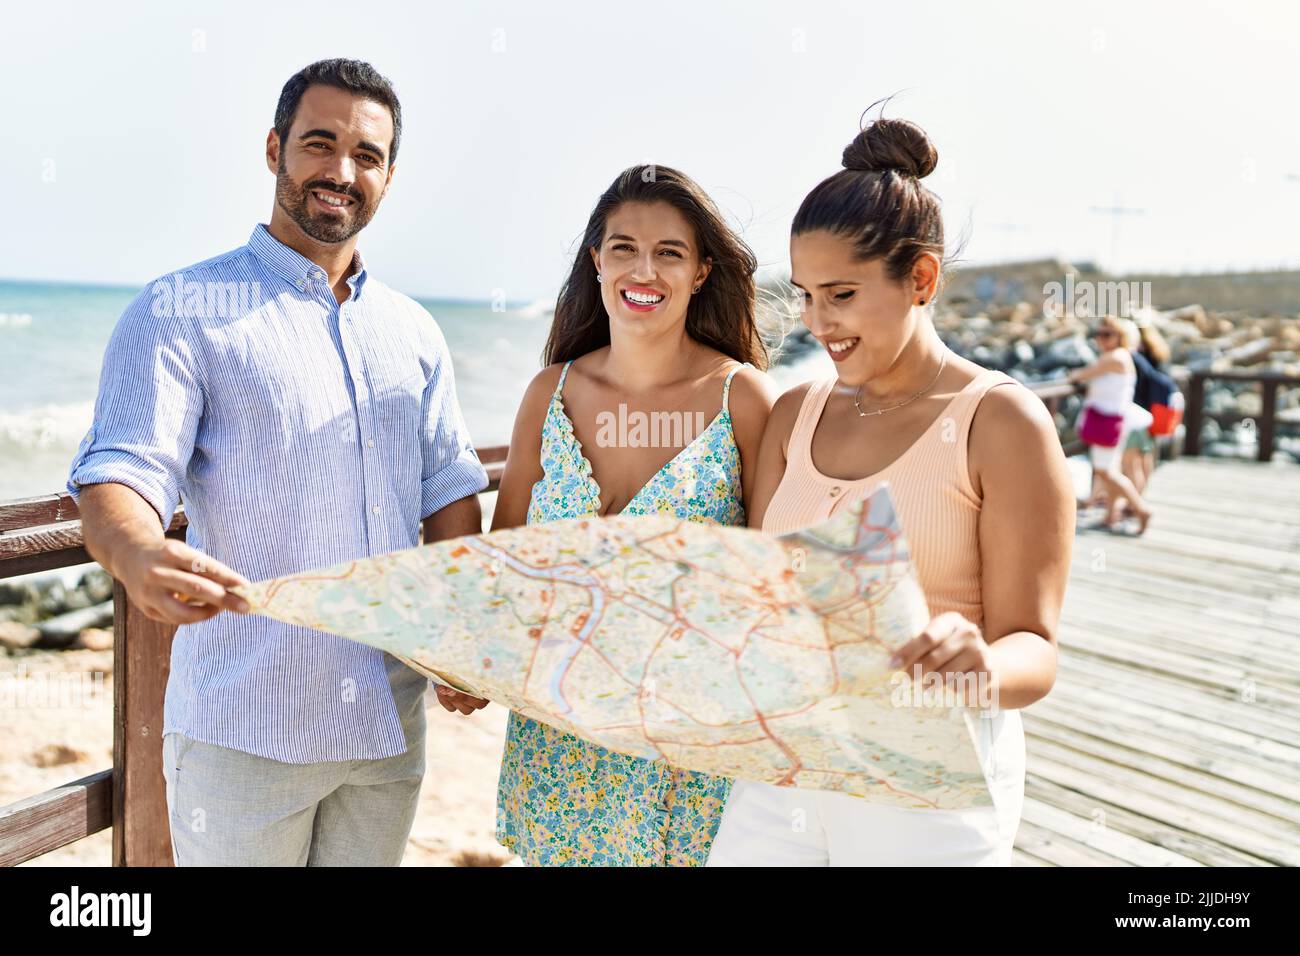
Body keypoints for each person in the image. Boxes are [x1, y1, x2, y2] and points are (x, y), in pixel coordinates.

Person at [68, 59, 491, 866]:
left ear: (389, 178)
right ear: (274, 149)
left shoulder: (414, 332)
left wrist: (460, 637)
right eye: (319, 144)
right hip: (245, 732)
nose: (340, 171)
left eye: (366, 156)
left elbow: (448, 493)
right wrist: (138, 553)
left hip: (388, 728)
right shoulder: (180, 311)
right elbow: (121, 470)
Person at [705, 106, 1074, 866]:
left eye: (841, 295)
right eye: (805, 295)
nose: (818, 322)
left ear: (923, 279)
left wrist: (980, 665)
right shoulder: (795, 414)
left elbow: (1033, 650)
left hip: (929, 788)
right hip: (785, 769)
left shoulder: (1000, 422)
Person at [489, 165, 778, 865]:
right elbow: (501, 569)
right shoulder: (548, 393)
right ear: (596, 261)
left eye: (669, 252)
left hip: (689, 746)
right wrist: (468, 669)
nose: (642, 268)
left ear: (703, 271)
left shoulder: (744, 401)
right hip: (561, 744)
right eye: (622, 247)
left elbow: (778, 585)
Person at [1070, 314, 1154, 533]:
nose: (1101, 339)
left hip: (1107, 421)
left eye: (1107, 334)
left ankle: (1141, 509)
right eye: (1098, 334)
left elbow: (1080, 375)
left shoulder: (1114, 357)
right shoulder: (1120, 356)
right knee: (1110, 469)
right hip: (1114, 419)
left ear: (1121, 337)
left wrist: (1076, 374)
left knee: (1107, 472)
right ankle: (1111, 515)